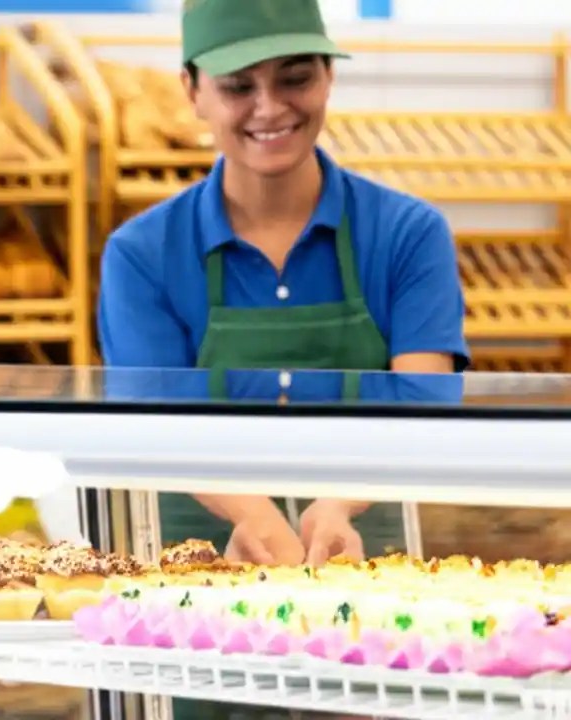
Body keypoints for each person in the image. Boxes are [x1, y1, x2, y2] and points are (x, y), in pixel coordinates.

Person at [97, 0, 470, 573]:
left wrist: (340, 504)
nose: (269, 108)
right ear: (193, 91)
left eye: (294, 78)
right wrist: (255, 517)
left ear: (328, 76)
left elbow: (423, 405)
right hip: (198, 563)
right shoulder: (142, 254)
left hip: (374, 560)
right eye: (237, 87)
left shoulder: (407, 234)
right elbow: (161, 428)